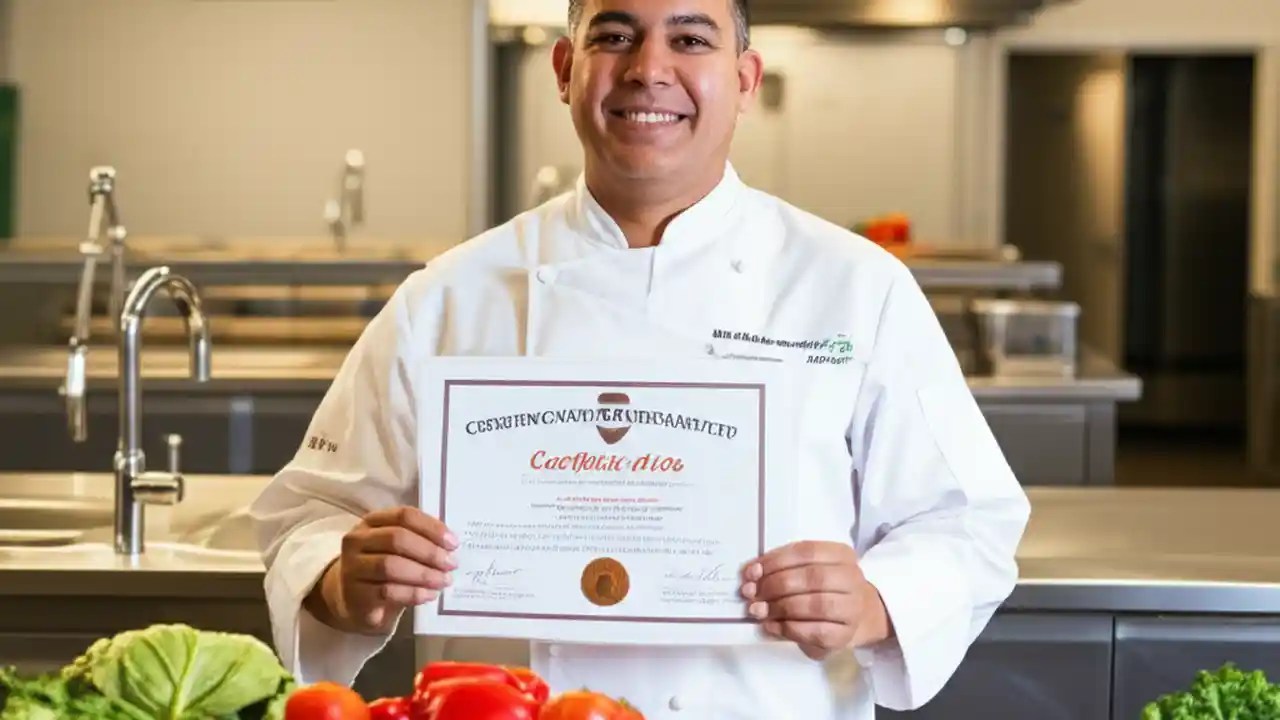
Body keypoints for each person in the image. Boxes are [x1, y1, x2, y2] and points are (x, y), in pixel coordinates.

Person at [250, 0, 1031, 716]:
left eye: (689, 39)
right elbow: (309, 513)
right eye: (615, 36)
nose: (648, 68)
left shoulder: (855, 287)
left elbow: (968, 523)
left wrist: (874, 600)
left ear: (744, 79)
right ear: (566, 70)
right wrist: (343, 580)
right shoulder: (447, 298)